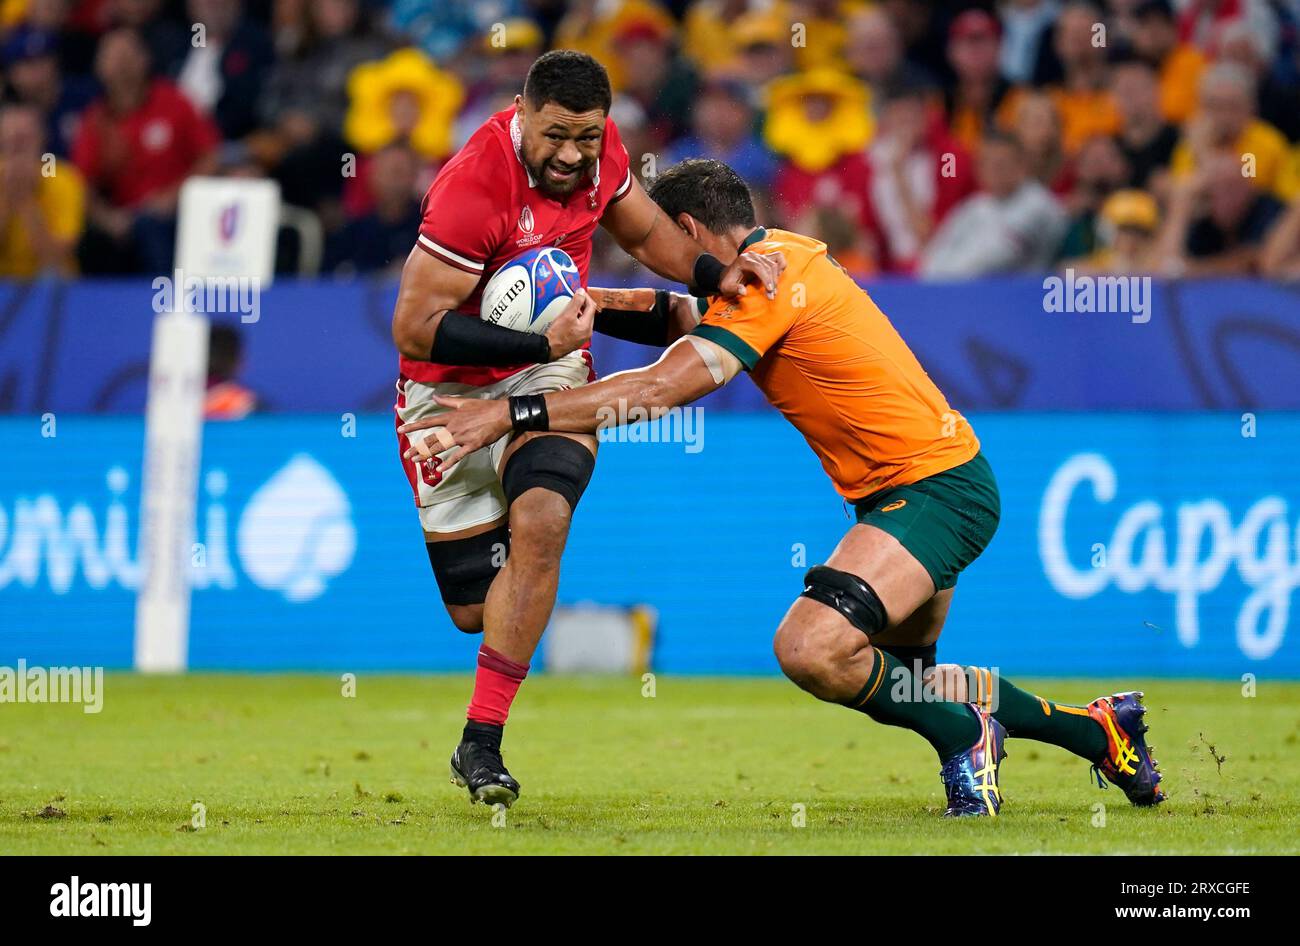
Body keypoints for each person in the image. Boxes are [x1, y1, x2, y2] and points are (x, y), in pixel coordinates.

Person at [400, 158, 1167, 818]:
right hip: (928, 485)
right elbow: (675, 314)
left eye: (666, 245)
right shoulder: (779, 260)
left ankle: (965, 737)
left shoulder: (775, 282)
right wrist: (576, 306)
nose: (662, 260)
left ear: (692, 231)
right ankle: (1099, 732)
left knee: (811, 648)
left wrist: (507, 412)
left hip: (937, 490)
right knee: (916, 678)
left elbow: (665, 388)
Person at [388, 53, 781, 810]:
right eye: (556, 135)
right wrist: (541, 343)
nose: (572, 154)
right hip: (446, 395)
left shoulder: (603, 163)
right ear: (520, 113)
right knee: (473, 609)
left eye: (589, 137)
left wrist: (709, 275)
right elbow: (414, 328)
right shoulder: (473, 189)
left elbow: (646, 233)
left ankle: (482, 741)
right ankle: (619, 313)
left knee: (543, 519)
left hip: (551, 376)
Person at [0, 102, 85, 278]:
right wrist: (7, 197)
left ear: (42, 139)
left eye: (24, 140)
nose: (17, 150)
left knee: (52, 273)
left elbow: (54, 258)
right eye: (11, 141)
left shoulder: (62, 179)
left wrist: (26, 201)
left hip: (48, 282)